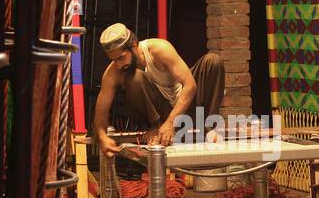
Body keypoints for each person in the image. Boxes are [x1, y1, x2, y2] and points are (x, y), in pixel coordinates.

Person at [92, 23, 225, 159]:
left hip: (185, 106)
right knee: (134, 78)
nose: (119, 64)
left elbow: (190, 85)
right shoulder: (113, 72)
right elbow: (100, 114)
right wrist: (102, 137)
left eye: (121, 57)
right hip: (159, 117)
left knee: (213, 61)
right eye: (114, 60)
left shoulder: (159, 49)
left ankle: (208, 127)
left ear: (133, 46)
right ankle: (154, 129)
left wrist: (171, 123)